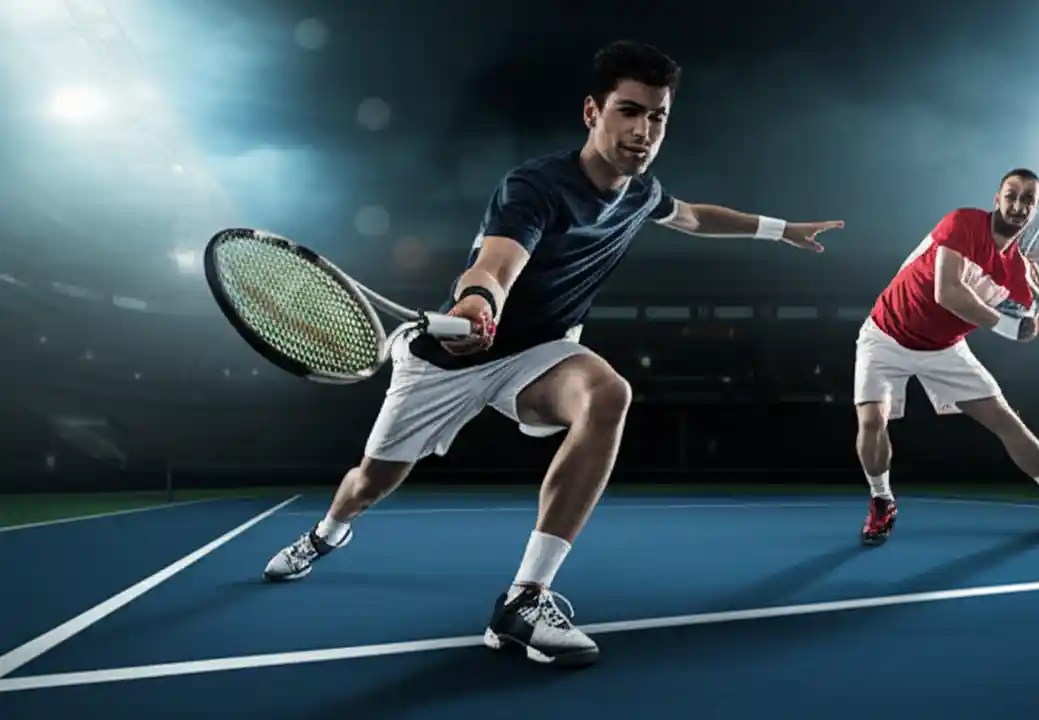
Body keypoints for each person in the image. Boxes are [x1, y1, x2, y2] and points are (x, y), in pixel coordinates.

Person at [261, 40, 844, 667]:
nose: (643, 130)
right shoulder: (535, 186)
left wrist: (780, 231)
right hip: (448, 362)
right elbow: (495, 263)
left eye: (657, 116)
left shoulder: (641, 193)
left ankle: (524, 599)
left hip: (539, 353)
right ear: (593, 112)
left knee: (608, 394)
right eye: (629, 111)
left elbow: (695, 218)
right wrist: (478, 303)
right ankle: (326, 533)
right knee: (369, 484)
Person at [853, 168, 1039, 546]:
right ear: (997, 199)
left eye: (1028, 199)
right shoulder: (963, 222)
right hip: (886, 335)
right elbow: (947, 292)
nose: (1018, 204)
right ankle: (882, 500)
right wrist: (1007, 326)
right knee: (872, 421)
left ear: (1035, 208)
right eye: (1011, 195)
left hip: (945, 348)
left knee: (1005, 419)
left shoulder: (1018, 271)